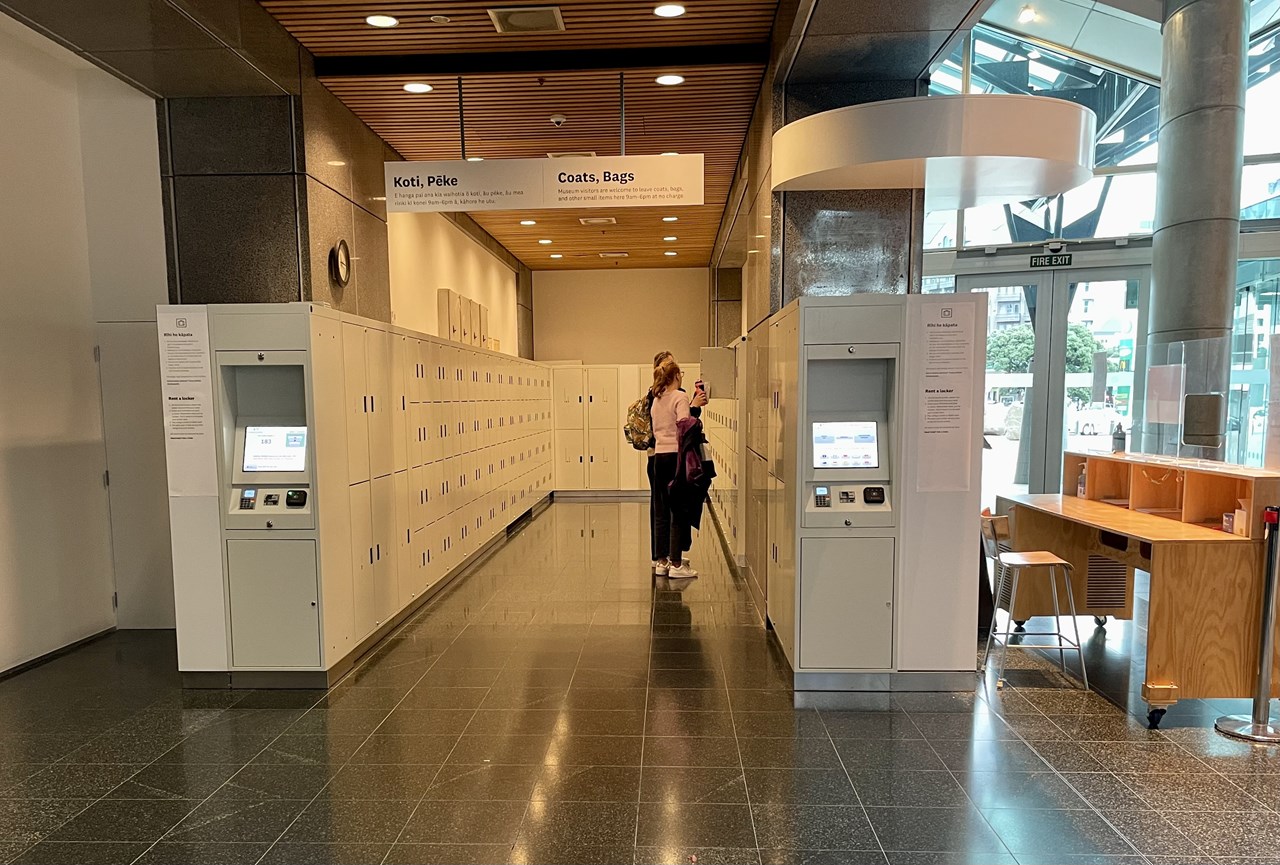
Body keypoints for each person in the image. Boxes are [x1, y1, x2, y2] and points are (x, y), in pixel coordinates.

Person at [648, 351, 706, 570]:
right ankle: (677, 564)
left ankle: (661, 561)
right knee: (678, 510)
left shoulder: (657, 398)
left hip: (659, 458)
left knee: (661, 510)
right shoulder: (679, 397)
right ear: (676, 377)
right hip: (676, 458)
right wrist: (695, 410)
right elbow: (684, 426)